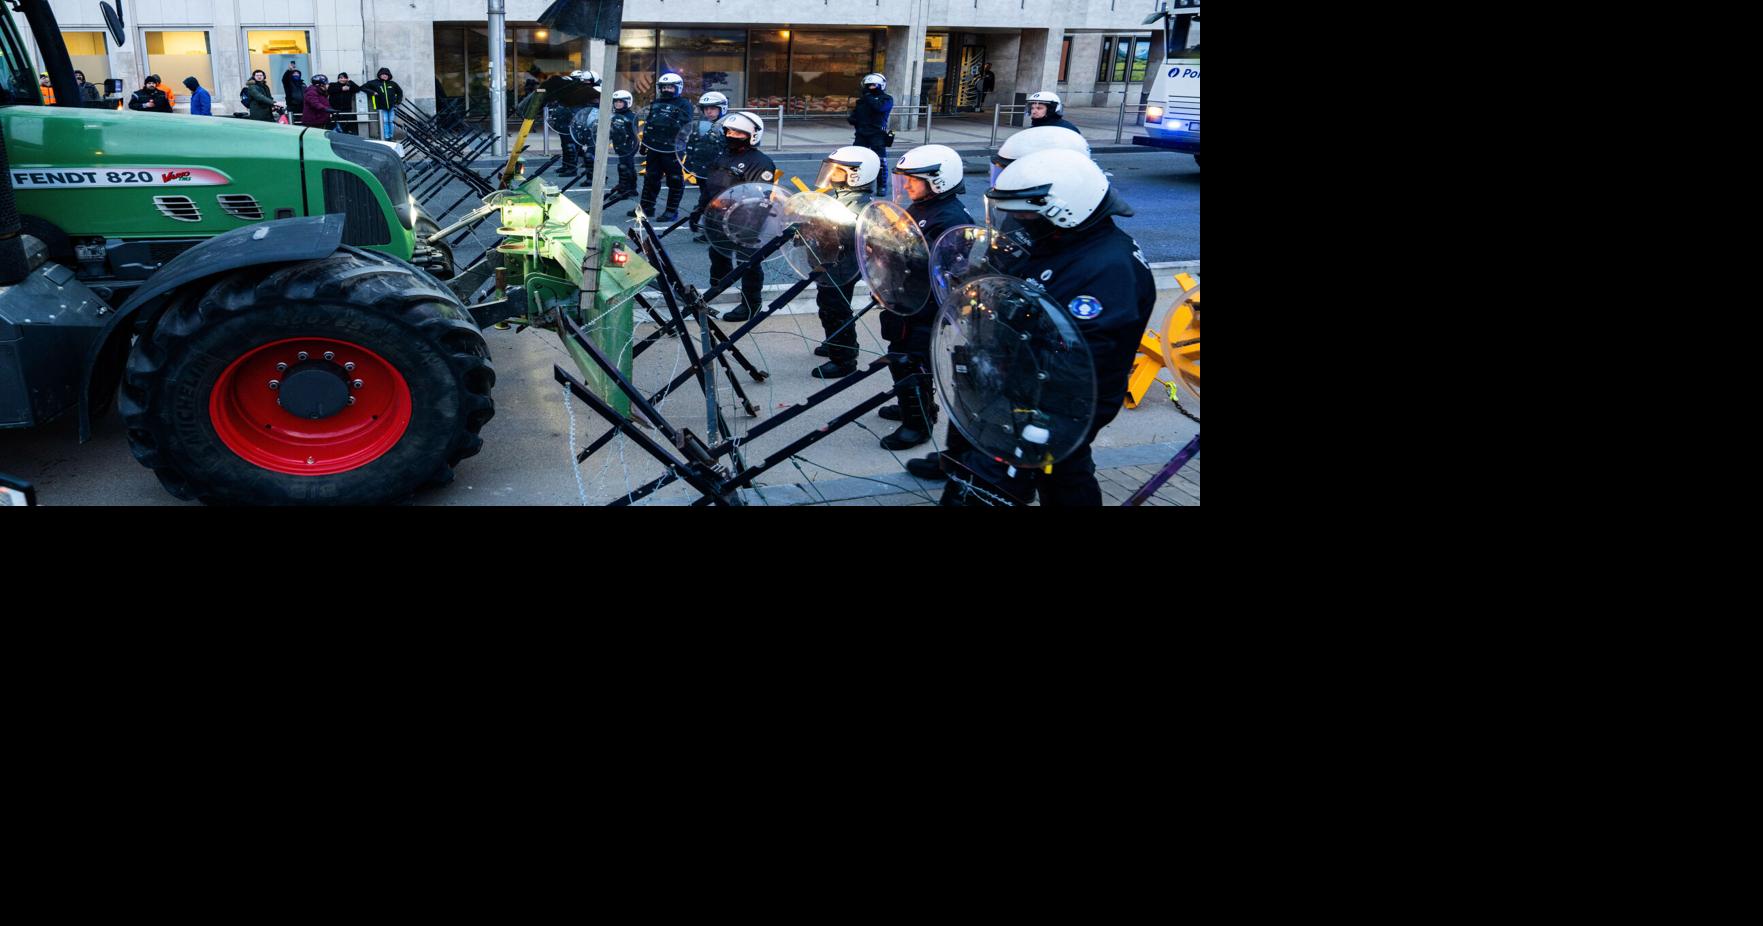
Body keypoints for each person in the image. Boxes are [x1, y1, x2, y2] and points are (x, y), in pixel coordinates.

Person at [940, 148, 1157, 507]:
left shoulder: (1108, 268)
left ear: (1063, 209)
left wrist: (1023, 408)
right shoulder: (1064, 241)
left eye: (1026, 213)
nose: (1020, 221)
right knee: (1065, 472)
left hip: (1057, 400)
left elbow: (1078, 354)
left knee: (1018, 474)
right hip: (1025, 386)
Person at [878, 145, 972, 453]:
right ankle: (912, 404)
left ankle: (917, 423)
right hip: (905, 298)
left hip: (924, 304)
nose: (906, 186)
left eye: (913, 180)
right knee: (900, 354)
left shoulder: (951, 217)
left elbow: (933, 264)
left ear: (938, 180)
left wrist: (889, 250)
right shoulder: (922, 207)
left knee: (911, 360)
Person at [806, 146, 879, 378]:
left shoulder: (856, 206)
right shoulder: (844, 198)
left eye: (837, 169)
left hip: (841, 266)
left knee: (835, 310)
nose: (831, 173)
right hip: (832, 265)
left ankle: (844, 359)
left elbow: (845, 237)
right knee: (830, 306)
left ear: (856, 174)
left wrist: (817, 228)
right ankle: (836, 342)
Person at [698, 111, 776, 324]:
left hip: (745, 220)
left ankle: (751, 305)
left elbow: (760, 197)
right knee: (718, 255)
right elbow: (711, 184)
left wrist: (750, 227)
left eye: (738, 133)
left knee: (748, 264)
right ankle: (719, 289)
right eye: (729, 131)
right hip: (718, 218)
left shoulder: (760, 162)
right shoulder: (724, 155)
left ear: (751, 136)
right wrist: (700, 208)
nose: (731, 135)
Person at [633, 72, 691, 221]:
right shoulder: (656, 103)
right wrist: (644, 142)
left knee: (675, 179)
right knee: (651, 178)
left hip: (673, 149)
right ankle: (647, 208)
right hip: (654, 147)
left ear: (678, 88)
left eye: (670, 87)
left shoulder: (684, 104)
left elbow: (685, 125)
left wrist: (668, 122)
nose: (667, 89)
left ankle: (672, 211)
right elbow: (649, 124)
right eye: (664, 87)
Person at [684, 91, 729, 237]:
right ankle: (710, 228)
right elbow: (693, 144)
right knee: (706, 198)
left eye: (713, 108)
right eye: (706, 109)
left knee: (717, 202)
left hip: (721, 173)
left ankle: (715, 232)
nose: (709, 112)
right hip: (703, 171)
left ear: (722, 109)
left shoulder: (729, 127)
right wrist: (690, 163)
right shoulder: (701, 126)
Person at [847, 73, 893, 196]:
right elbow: (855, 115)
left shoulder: (886, 99)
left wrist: (868, 97)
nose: (870, 88)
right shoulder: (862, 101)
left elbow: (879, 108)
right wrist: (853, 119)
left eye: (873, 85)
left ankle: (882, 186)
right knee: (858, 160)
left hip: (877, 133)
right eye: (868, 86)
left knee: (880, 161)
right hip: (862, 133)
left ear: (880, 85)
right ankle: (860, 184)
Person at [608, 90, 640, 197]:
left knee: (624, 166)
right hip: (619, 145)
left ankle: (625, 190)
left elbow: (632, 133)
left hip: (629, 145)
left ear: (627, 102)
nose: (617, 104)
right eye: (616, 101)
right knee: (628, 166)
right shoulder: (615, 115)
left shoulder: (631, 116)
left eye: (620, 102)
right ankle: (631, 188)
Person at [361, 68, 404, 140]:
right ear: (380, 75)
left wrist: (398, 102)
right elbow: (362, 87)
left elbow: (400, 92)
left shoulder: (392, 84)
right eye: (383, 74)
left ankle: (391, 137)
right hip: (381, 108)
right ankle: (386, 137)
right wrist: (372, 92)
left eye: (386, 74)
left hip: (391, 107)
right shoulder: (374, 83)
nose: (385, 76)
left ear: (389, 76)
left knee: (391, 122)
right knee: (385, 122)